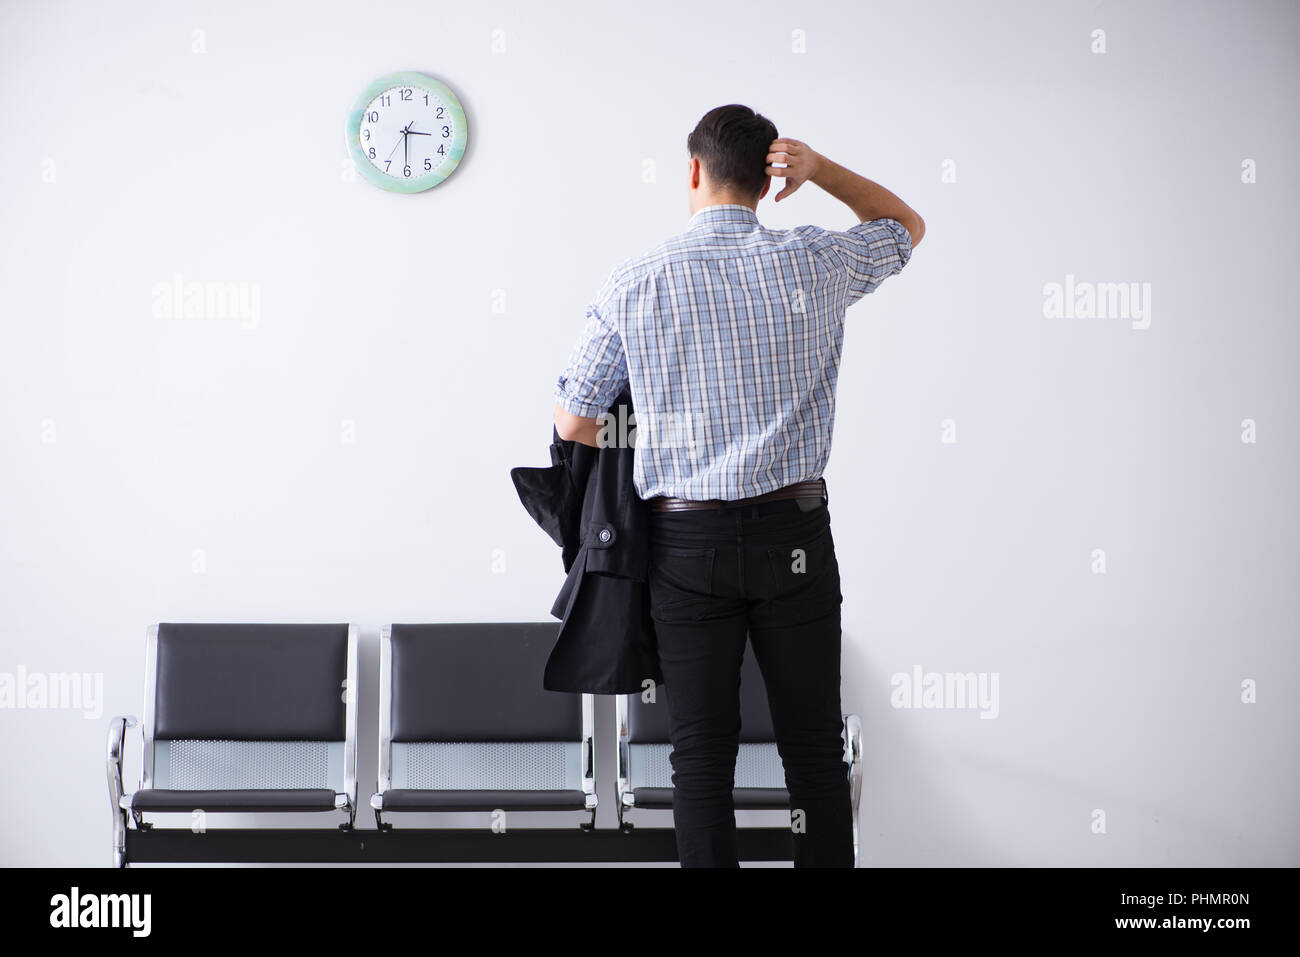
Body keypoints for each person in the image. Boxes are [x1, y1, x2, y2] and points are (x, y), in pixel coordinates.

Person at [551, 104, 924, 867]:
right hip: (795, 537)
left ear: (693, 170)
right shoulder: (816, 261)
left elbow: (573, 423)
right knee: (815, 750)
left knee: (702, 755)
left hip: (686, 546)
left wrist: (660, 424)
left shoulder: (638, 278)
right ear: (767, 178)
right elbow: (904, 225)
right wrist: (821, 172)